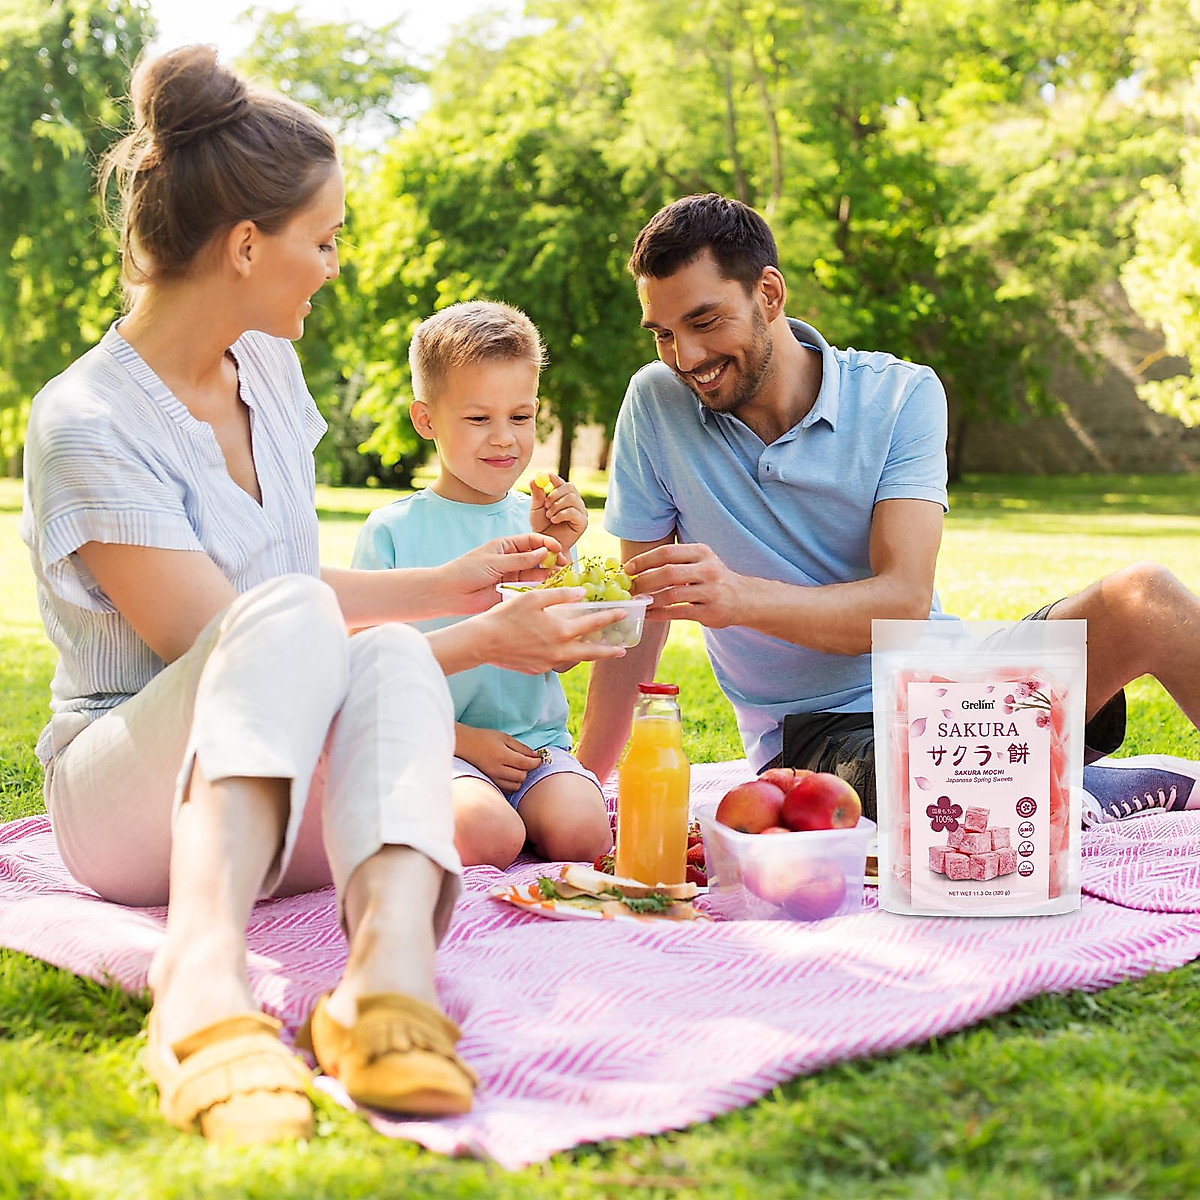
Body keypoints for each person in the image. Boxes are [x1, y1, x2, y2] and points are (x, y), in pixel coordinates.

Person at [18, 46, 626, 1146]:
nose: (336, 265)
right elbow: (246, 643)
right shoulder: (87, 423)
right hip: (125, 801)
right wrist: (477, 633)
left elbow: (288, 606)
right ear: (248, 246)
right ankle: (199, 983)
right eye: (327, 239)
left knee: (392, 651)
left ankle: (386, 984)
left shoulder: (272, 374)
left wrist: (446, 587)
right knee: (352, 635)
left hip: (277, 780)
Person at [576, 192, 1200, 822]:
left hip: (951, 681)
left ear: (769, 294)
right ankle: (1081, 788)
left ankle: (1052, 781)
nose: (687, 358)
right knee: (950, 801)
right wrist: (584, 780)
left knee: (1146, 600)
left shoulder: (902, 395)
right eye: (663, 334)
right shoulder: (656, 404)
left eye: (705, 323)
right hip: (819, 736)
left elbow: (903, 601)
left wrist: (738, 598)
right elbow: (642, 612)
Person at [352, 301, 614, 870]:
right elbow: (371, 675)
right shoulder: (393, 532)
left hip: (533, 746)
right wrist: (462, 741)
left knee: (584, 832)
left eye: (520, 418)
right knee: (488, 835)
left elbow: (561, 658)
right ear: (426, 421)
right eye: (478, 419)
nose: (504, 440)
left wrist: (562, 553)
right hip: (434, 744)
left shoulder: (538, 522)